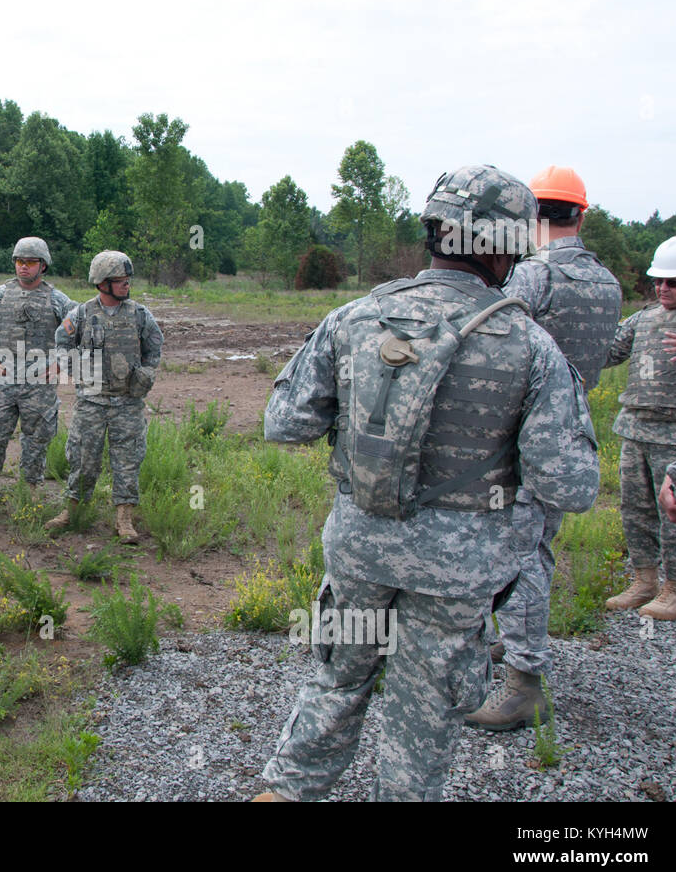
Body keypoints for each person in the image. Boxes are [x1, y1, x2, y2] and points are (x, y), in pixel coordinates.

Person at [254, 165, 599, 802]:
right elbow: (570, 485)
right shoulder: (530, 343)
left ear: (436, 230)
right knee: (422, 713)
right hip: (458, 573)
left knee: (333, 684)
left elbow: (286, 422)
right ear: (507, 246)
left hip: (360, 547)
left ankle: (283, 793)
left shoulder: (356, 318)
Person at [466, 166, 622, 731]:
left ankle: (524, 683)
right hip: (570, 435)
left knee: (516, 555)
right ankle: (511, 647)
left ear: (533, 218)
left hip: (524, 436)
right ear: (581, 213)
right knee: (538, 549)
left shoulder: (534, 278)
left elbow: (491, 338)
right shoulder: (608, 283)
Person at [600, 236, 676, 621]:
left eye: (672, 282)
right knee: (635, 509)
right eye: (658, 280)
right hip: (635, 429)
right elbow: (608, 352)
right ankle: (644, 580)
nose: (662, 288)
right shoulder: (643, 318)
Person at [46, 251, 162, 544]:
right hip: (91, 403)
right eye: (119, 281)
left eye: (127, 280)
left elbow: (154, 347)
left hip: (127, 402)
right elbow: (61, 341)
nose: (126, 285)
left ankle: (124, 518)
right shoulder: (82, 314)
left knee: (127, 459)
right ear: (102, 283)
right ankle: (72, 510)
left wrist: (146, 373)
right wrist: (74, 369)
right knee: (83, 457)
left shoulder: (139, 314)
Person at [0, 237, 76, 500]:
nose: (23, 267)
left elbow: (80, 331)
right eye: (19, 261)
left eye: (30, 262)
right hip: (4, 381)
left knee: (37, 438)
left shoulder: (58, 300)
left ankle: (31, 488)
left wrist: (60, 363)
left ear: (43, 266)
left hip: (39, 384)